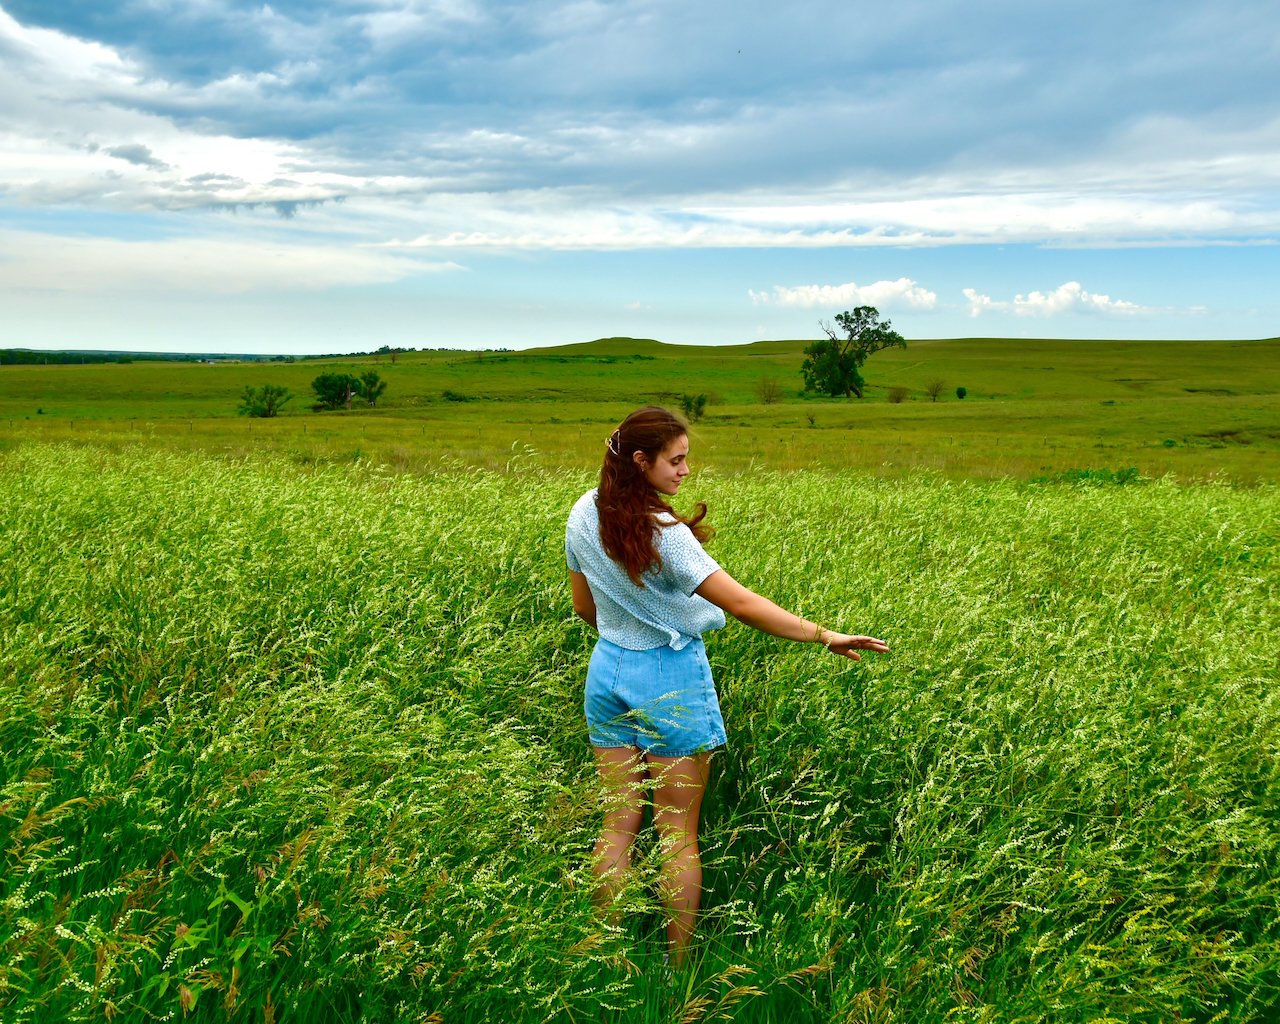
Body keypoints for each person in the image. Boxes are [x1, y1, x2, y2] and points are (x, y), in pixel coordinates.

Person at [565, 406, 888, 965]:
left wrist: (626, 631)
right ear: (641, 462)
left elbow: (583, 607)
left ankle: (601, 957)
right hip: (669, 675)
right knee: (676, 835)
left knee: (617, 823)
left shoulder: (580, 514)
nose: (686, 470)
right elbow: (740, 604)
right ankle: (678, 968)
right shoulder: (665, 534)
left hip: (607, 671)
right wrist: (824, 634)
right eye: (677, 459)